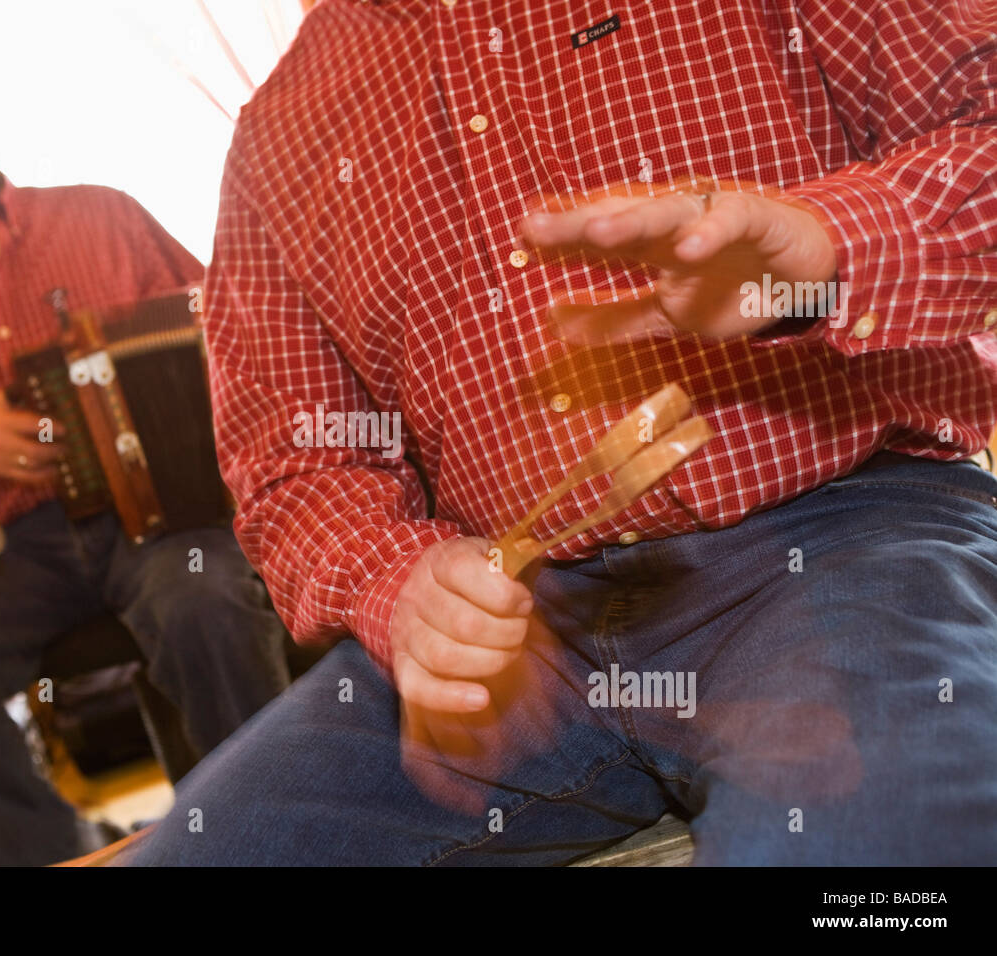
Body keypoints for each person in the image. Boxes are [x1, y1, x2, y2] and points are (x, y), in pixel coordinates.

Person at [117, 0, 997, 865]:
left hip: (855, 529)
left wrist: (826, 248)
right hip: (517, 633)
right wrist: (398, 584)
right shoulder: (278, 132)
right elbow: (292, 461)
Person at [0, 37, 290, 866]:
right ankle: (69, 855)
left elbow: (233, 332)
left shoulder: (102, 213)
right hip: (12, 551)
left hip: (160, 516)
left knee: (206, 606)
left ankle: (264, 839)